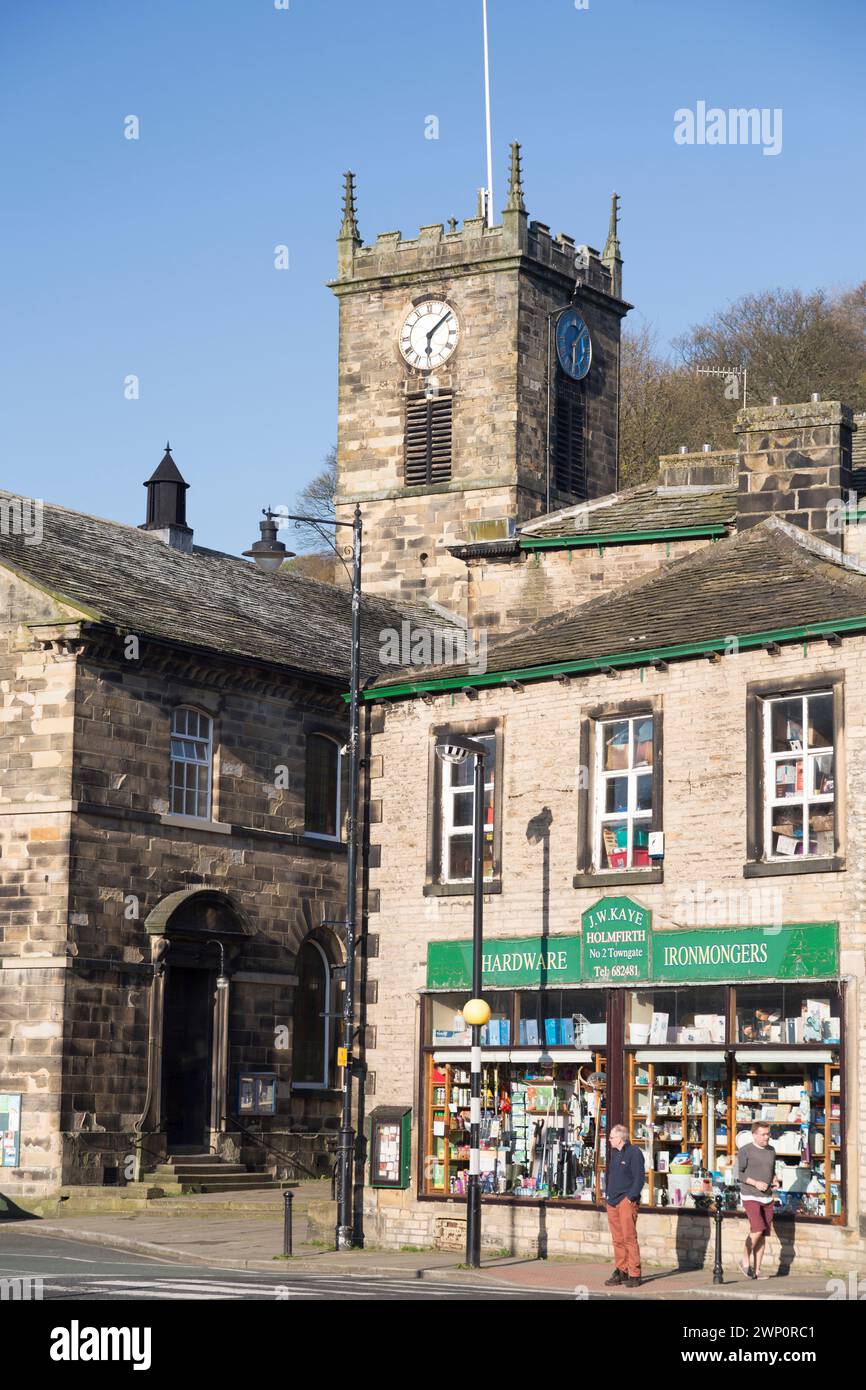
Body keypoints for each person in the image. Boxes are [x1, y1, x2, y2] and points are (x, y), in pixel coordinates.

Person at [737, 1121, 780, 1280]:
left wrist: (775, 1179)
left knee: (762, 1234)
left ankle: (757, 1271)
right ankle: (744, 1260)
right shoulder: (745, 1150)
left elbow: (772, 1169)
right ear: (754, 1135)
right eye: (763, 1134)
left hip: (767, 1196)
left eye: (768, 1134)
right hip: (750, 1195)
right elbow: (739, 1174)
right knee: (758, 1228)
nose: (766, 1137)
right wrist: (755, 1183)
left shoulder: (771, 1150)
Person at [604, 1123, 645, 1288]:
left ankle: (635, 1273)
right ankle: (622, 1270)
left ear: (620, 1138)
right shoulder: (614, 1154)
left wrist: (630, 1198)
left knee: (629, 1238)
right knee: (617, 1239)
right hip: (612, 1200)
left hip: (626, 1201)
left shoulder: (634, 1152)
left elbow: (639, 1178)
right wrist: (608, 1197)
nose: (609, 1140)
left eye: (611, 1137)